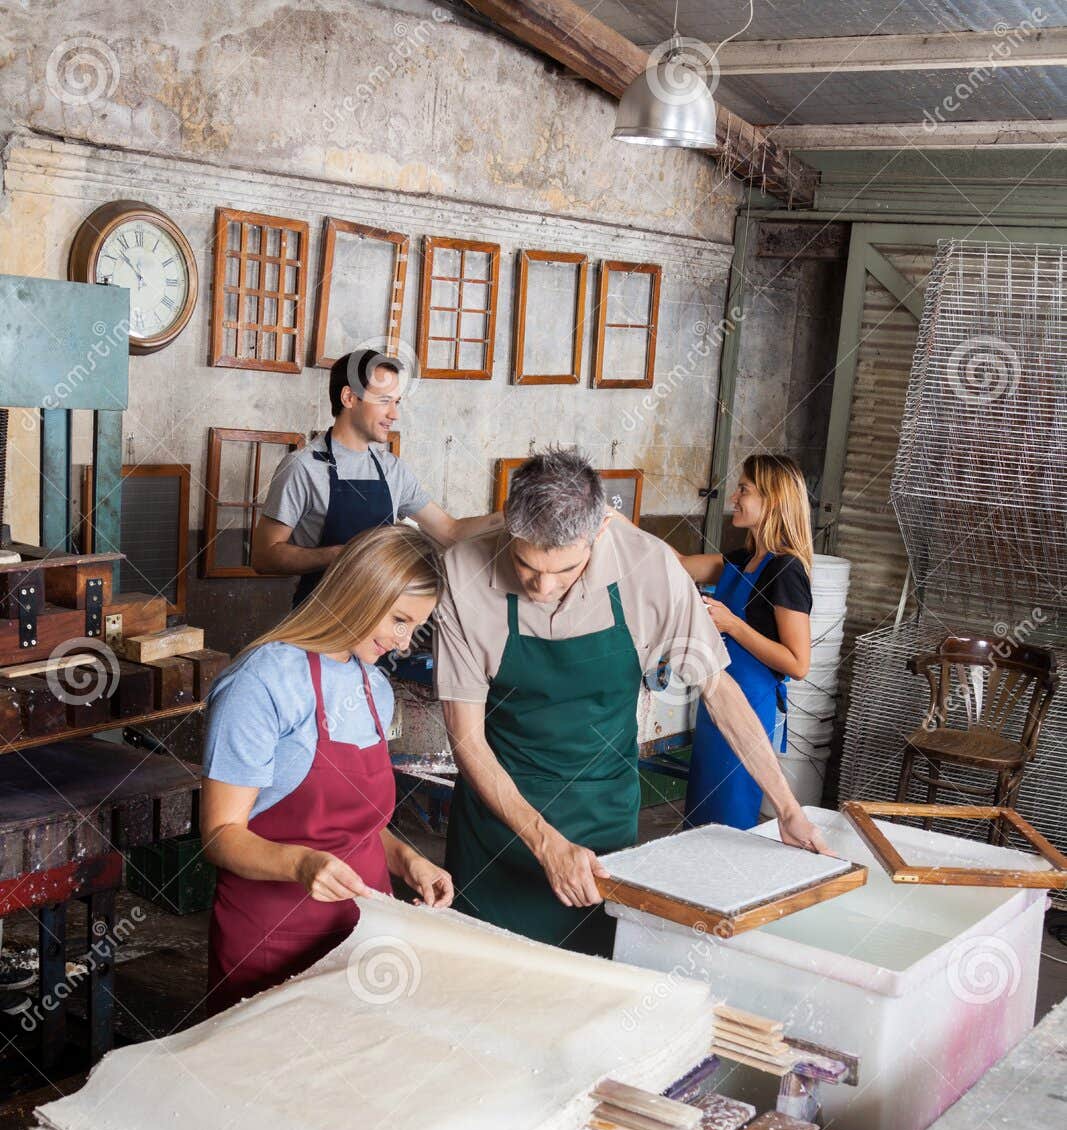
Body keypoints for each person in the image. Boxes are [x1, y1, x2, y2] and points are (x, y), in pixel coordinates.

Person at [433, 447, 826, 958]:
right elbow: (466, 738)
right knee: (479, 978)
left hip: (603, 821)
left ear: (599, 532)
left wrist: (787, 807)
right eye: (527, 565)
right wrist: (545, 842)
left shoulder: (651, 568)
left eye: (565, 570)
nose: (543, 587)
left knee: (589, 983)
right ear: (509, 526)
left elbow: (720, 692)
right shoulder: (463, 574)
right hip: (498, 820)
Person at [202, 526, 452, 1013]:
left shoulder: (375, 688)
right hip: (275, 938)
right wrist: (300, 864)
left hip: (365, 935)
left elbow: (357, 828)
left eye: (414, 627)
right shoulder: (263, 681)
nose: (403, 643)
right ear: (362, 590)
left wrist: (407, 861)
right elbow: (219, 834)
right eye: (399, 620)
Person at [251, 350, 504, 607]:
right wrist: (337, 555)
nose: (394, 414)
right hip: (318, 623)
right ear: (349, 397)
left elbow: (451, 532)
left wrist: (509, 516)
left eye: (396, 402)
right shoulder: (303, 467)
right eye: (384, 401)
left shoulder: (392, 469)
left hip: (379, 624)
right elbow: (264, 557)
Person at [681, 454, 814, 830]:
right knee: (701, 822)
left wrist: (734, 626)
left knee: (728, 822)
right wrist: (620, 527)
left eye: (744, 490)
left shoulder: (786, 570)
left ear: (771, 501)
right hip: (716, 700)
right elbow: (679, 562)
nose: (734, 498)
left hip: (750, 709)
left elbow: (798, 663)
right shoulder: (743, 559)